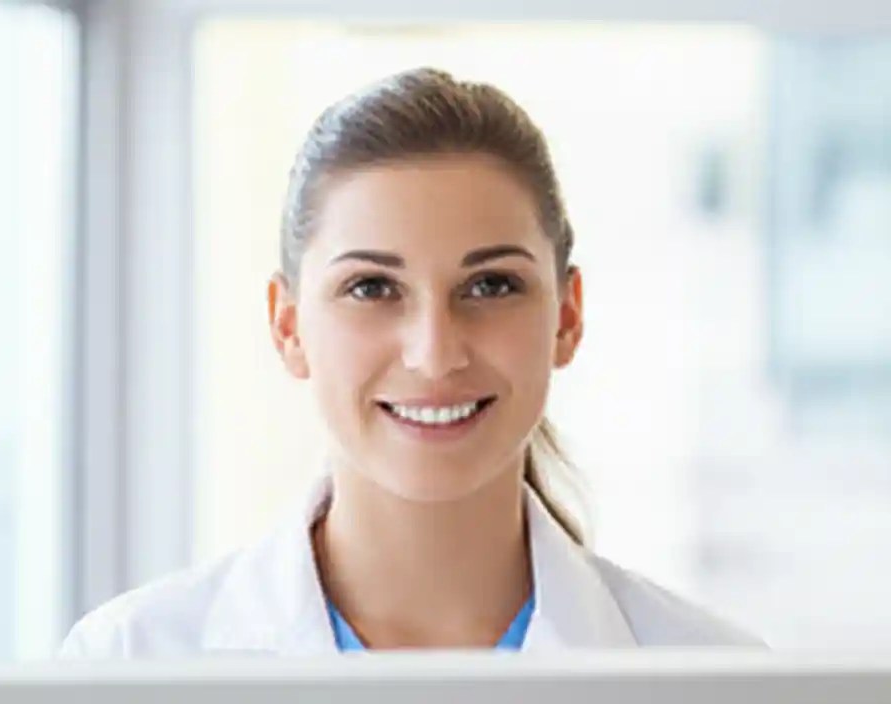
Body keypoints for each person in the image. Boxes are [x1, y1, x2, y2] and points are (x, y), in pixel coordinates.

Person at [60, 67, 762, 657]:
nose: (434, 353)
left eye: (491, 286)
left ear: (567, 317)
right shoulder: (130, 663)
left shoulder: (719, 679)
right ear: (288, 325)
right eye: (372, 288)